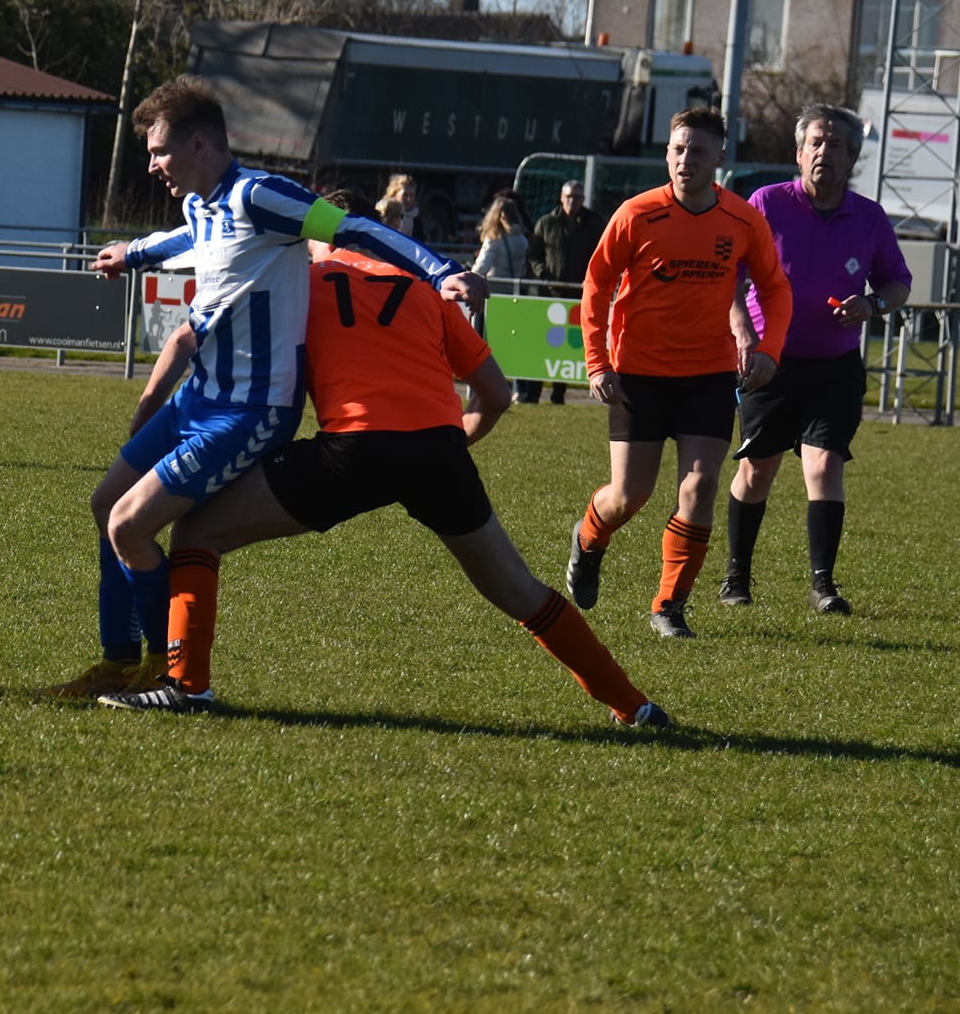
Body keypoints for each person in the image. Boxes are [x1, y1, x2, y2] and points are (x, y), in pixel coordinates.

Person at [98, 189, 671, 729]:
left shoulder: (302, 285)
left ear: (318, 238)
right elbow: (495, 395)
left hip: (354, 450)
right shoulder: (422, 285)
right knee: (520, 591)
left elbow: (222, 349)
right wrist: (449, 442)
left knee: (196, 533)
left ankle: (187, 686)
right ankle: (634, 706)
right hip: (437, 451)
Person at [43, 78, 484, 700]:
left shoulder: (263, 195)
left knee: (129, 526)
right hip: (198, 398)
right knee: (105, 505)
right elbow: (192, 239)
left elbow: (354, 229)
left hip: (250, 411)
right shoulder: (201, 203)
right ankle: (117, 663)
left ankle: (163, 670)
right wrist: (133, 253)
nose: (152, 165)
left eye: (159, 151)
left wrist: (441, 271)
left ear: (200, 144)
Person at [564, 107, 794, 640]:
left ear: (719, 159)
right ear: (667, 153)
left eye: (697, 150)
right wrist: (598, 361)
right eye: (678, 149)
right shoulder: (637, 213)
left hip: (707, 375)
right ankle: (588, 539)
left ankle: (669, 605)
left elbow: (775, 287)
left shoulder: (743, 220)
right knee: (628, 496)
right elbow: (597, 286)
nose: (685, 159)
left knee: (701, 483)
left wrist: (769, 350)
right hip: (638, 375)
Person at [722, 103, 912, 615]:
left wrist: (871, 304)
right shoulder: (766, 203)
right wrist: (741, 329)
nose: (825, 151)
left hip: (835, 368)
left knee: (825, 465)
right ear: (799, 153)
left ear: (852, 158)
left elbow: (898, 282)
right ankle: (736, 576)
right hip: (770, 363)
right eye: (816, 143)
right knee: (757, 470)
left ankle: (823, 585)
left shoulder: (869, 218)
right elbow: (732, 275)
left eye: (836, 145)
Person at [518, 180, 606, 404]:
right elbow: (533, 253)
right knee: (542, 345)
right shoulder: (546, 222)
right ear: (561, 197)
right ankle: (533, 393)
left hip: (577, 295)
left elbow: (602, 253)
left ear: (582, 199)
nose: (572, 201)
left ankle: (559, 393)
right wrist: (543, 273)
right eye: (568, 197)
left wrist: (591, 278)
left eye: (576, 197)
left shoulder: (594, 224)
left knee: (568, 346)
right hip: (548, 295)